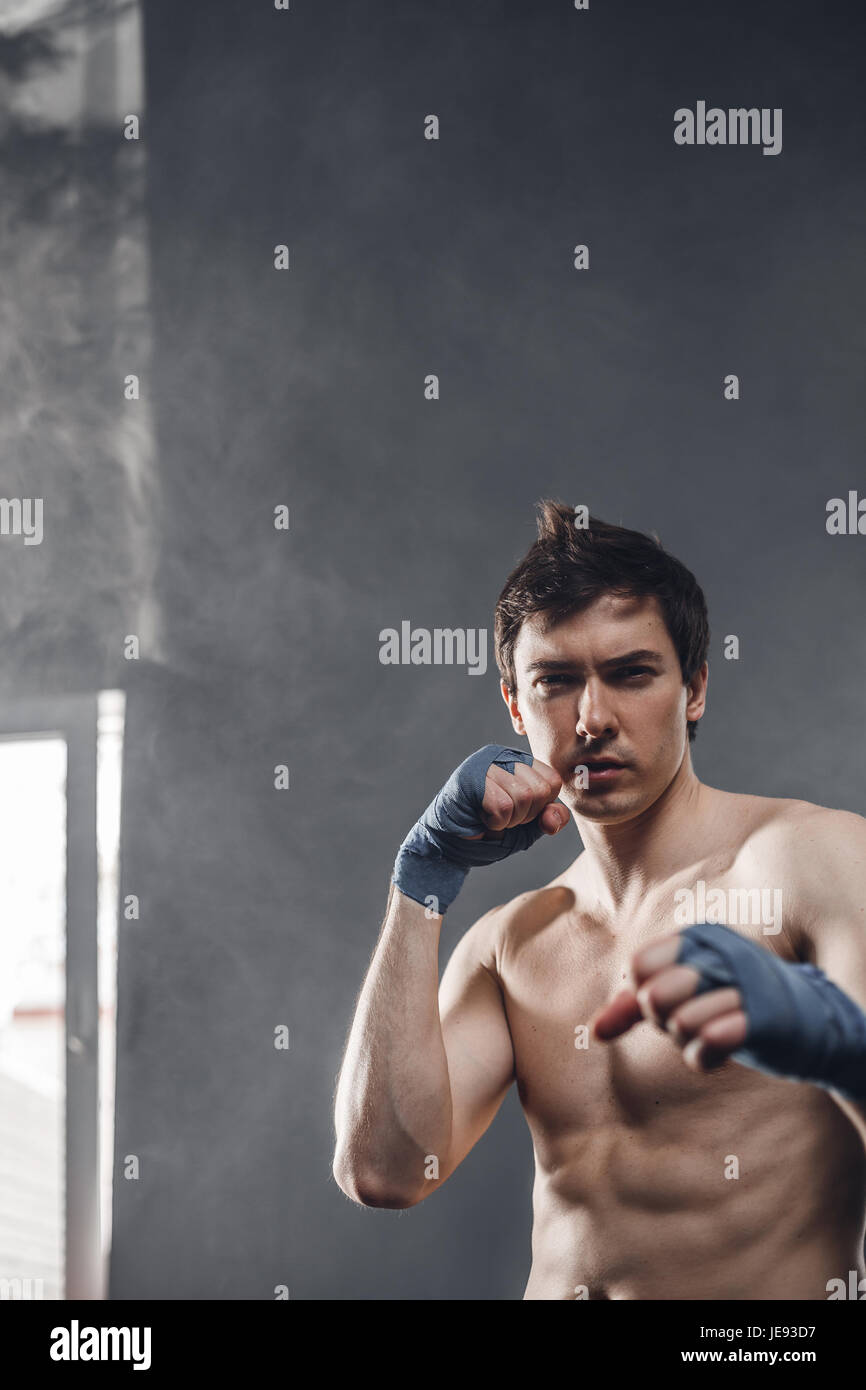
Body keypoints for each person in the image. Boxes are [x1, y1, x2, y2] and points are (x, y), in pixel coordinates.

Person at [332, 500, 866, 1300]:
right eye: (556, 682)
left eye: (631, 674)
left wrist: (832, 1045)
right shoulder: (514, 943)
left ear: (694, 689)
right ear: (515, 705)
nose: (592, 719)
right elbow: (385, 1171)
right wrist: (419, 883)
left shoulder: (806, 863)